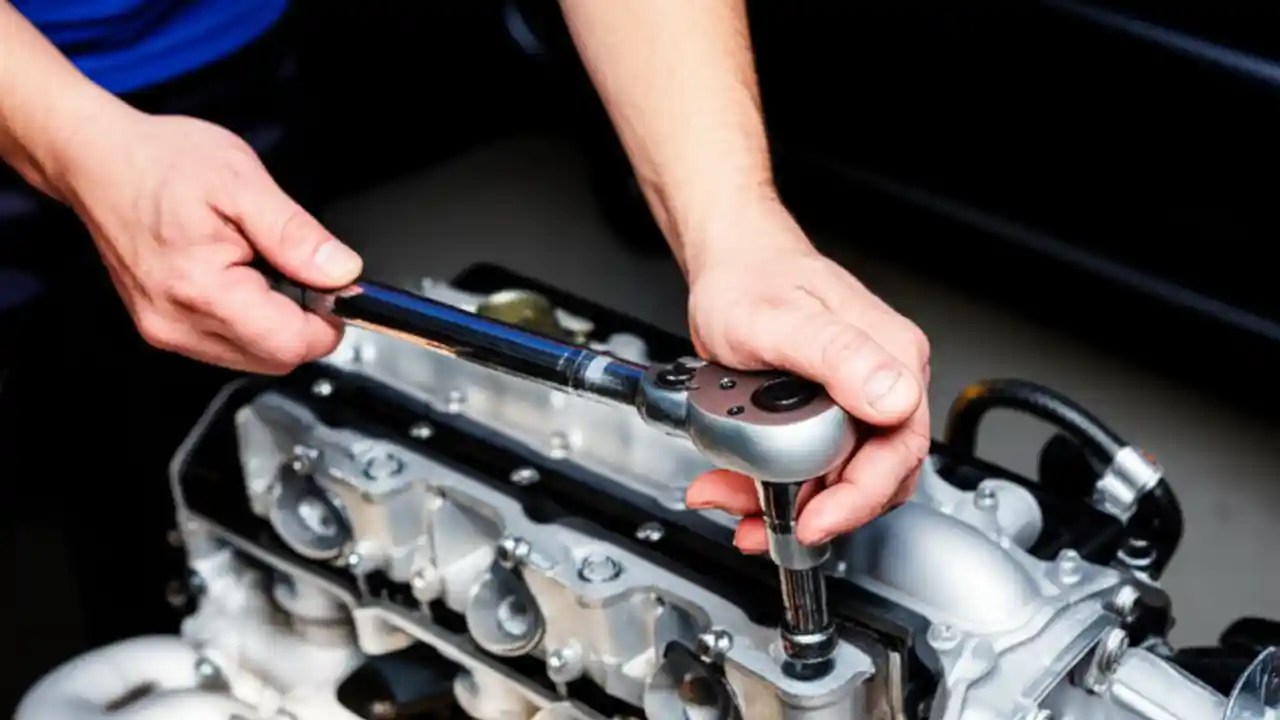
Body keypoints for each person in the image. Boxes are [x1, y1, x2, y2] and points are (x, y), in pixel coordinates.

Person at [0, 0, 929, 703]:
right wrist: (71, 138)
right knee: (125, 463)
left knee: (197, 378)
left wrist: (739, 230)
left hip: (236, 48)